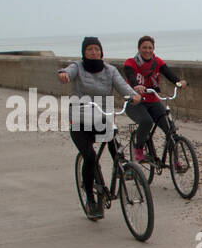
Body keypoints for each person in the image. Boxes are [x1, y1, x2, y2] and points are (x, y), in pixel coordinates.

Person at [58, 37, 140, 220]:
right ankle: (91, 200)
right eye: (89, 50)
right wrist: (63, 74)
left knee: (113, 134)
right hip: (80, 120)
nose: (93, 52)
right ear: (84, 53)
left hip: (101, 117)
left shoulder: (110, 70)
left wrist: (134, 95)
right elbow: (68, 72)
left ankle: (123, 166)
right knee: (90, 157)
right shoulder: (77, 67)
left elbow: (122, 86)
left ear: (101, 52)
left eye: (96, 49)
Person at [121, 36, 187, 163]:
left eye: (150, 48)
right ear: (139, 48)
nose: (147, 50)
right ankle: (138, 148)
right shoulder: (130, 63)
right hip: (135, 102)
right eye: (144, 48)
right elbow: (130, 75)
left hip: (153, 100)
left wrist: (179, 82)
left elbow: (168, 73)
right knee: (146, 122)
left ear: (153, 49)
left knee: (170, 128)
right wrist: (136, 86)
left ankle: (175, 161)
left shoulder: (157, 62)